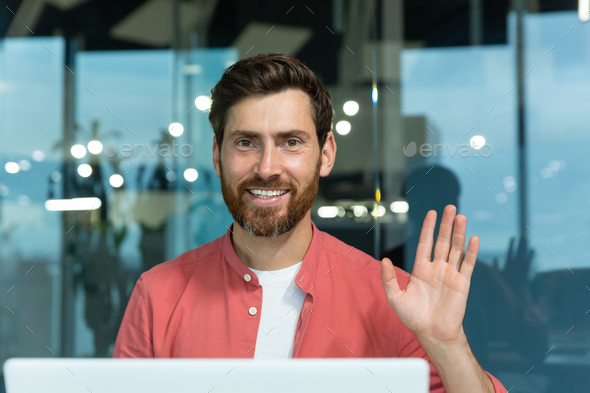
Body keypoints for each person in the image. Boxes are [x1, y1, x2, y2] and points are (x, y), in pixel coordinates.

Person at [113, 53, 507, 393]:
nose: (267, 168)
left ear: (326, 154)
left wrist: (447, 343)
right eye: (246, 142)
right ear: (218, 156)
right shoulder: (157, 297)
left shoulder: (397, 301)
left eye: (291, 142)